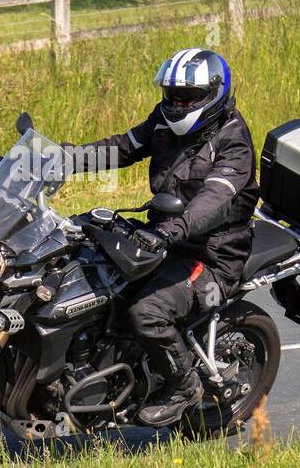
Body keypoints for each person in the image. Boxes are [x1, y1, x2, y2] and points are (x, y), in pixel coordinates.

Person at [66, 48, 260, 427]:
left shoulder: (233, 141)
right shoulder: (164, 122)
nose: (179, 104)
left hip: (211, 253)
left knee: (147, 312)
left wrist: (173, 230)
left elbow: (214, 200)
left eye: (189, 97)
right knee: (83, 270)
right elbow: (123, 147)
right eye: (173, 95)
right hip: (161, 237)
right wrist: (58, 159)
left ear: (214, 93)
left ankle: (183, 386)